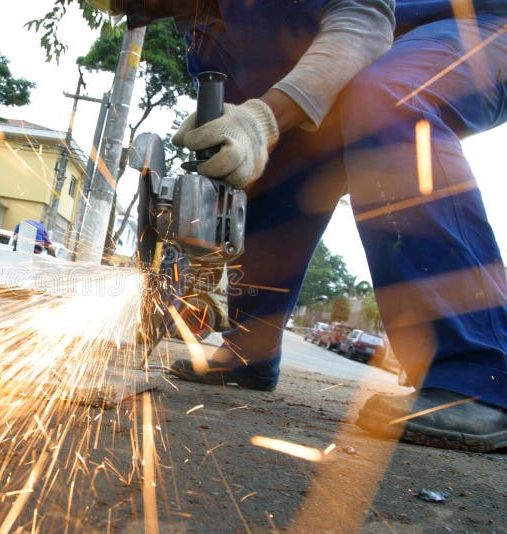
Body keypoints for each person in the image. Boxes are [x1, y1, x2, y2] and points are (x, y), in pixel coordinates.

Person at [87, 0, 507, 452]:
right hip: (371, 58)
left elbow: (363, 23)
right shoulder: (208, 33)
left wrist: (261, 119)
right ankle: (251, 349)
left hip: (473, 24)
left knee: (387, 97)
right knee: (275, 163)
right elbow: (271, 119)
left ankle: (477, 375)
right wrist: (236, 131)